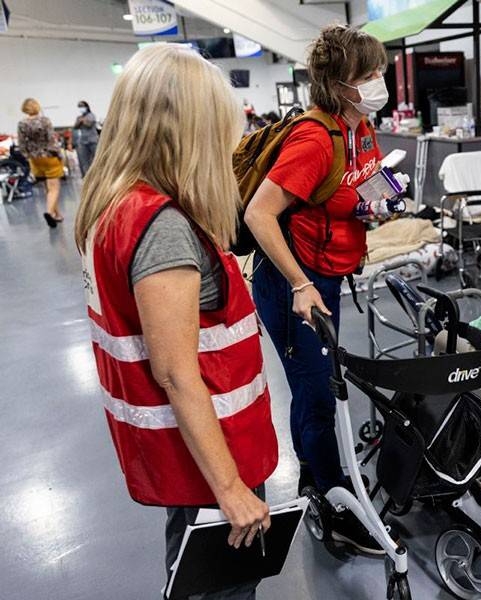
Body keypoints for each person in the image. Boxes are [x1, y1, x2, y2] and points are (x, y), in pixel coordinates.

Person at [74, 44, 278, 598]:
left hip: (185, 452)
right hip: (213, 452)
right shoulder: (160, 226)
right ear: (186, 129)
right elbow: (175, 372)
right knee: (220, 585)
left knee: (191, 567)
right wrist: (231, 487)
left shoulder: (115, 204)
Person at [244, 24, 389, 554]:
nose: (379, 81)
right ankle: (335, 499)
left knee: (313, 387)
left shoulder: (361, 128)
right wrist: (301, 285)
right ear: (340, 83)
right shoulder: (312, 137)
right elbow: (258, 214)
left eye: (380, 71)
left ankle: (314, 479)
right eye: (368, 74)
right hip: (294, 285)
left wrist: (381, 200)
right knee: (319, 395)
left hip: (327, 277)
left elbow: (363, 182)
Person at [17, 98, 64, 227]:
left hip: (35, 159)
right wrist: (60, 155)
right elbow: (51, 140)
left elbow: (21, 144)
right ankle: (49, 213)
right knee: (54, 188)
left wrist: (28, 156)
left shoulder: (22, 124)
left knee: (47, 189)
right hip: (49, 157)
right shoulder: (45, 121)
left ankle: (56, 214)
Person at [72, 100, 99, 176]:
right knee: (85, 161)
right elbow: (75, 126)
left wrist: (82, 120)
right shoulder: (79, 117)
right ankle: (87, 176)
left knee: (96, 158)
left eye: (82, 106)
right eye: (79, 107)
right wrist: (80, 120)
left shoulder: (91, 115)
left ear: (86, 107)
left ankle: (98, 175)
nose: (81, 108)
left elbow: (89, 124)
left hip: (93, 141)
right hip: (83, 142)